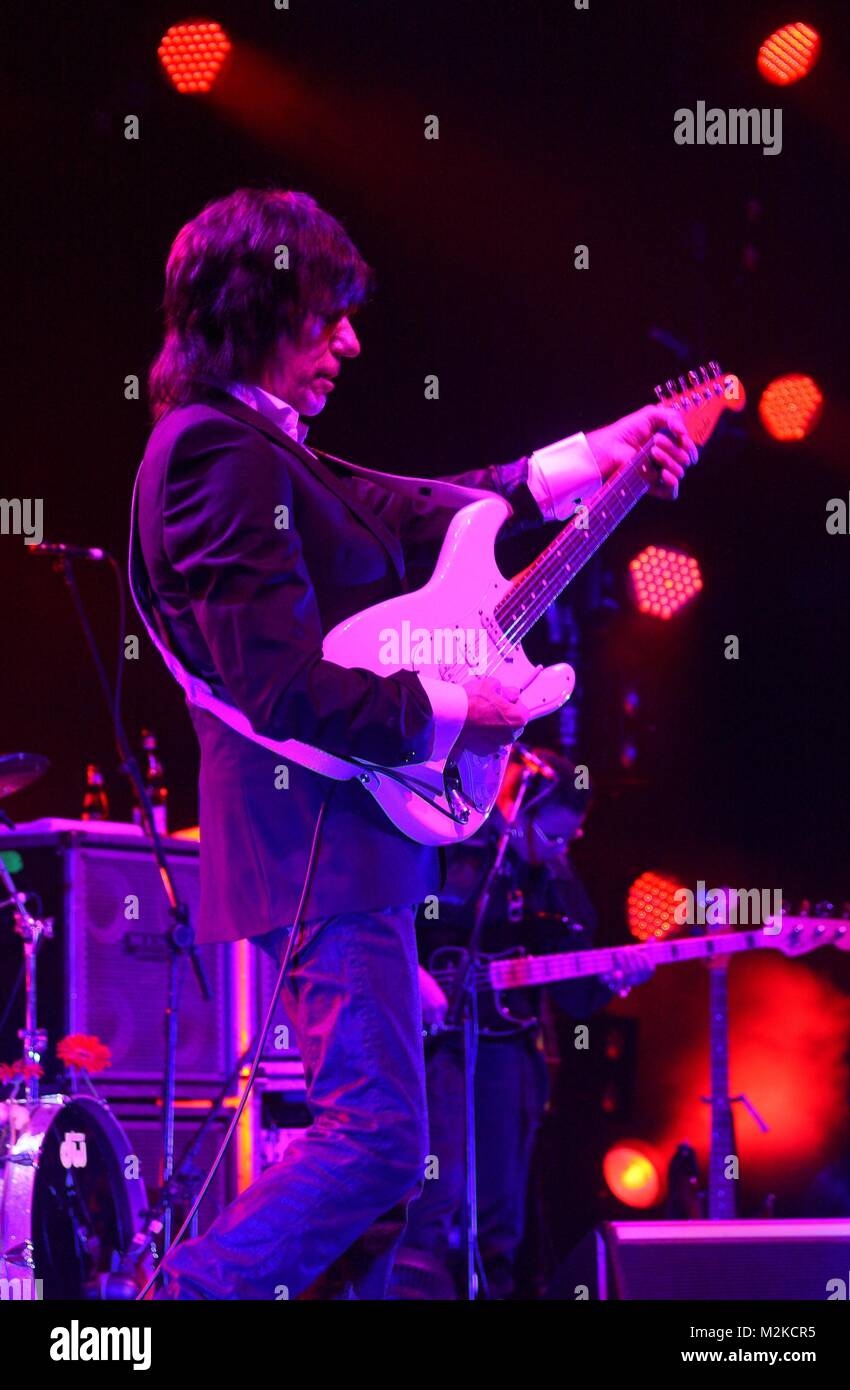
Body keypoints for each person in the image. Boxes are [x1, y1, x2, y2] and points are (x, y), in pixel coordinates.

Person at [130, 187, 697, 1299]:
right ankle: (160, 1311)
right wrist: (455, 712)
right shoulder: (212, 454)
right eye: (328, 313)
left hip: (347, 838)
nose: (349, 340)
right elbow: (277, 681)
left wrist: (600, 456)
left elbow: (435, 509)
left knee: (392, 1172)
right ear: (257, 304)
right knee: (379, 1143)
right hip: (312, 840)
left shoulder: (260, 446)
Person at [396, 746, 652, 1299]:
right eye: (553, 836)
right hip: (434, 1048)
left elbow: (575, 992)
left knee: (500, 1210)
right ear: (521, 806)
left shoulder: (550, 880)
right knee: (433, 1198)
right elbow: (388, 910)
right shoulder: (452, 839)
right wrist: (411, 974)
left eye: (566, 841)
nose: (560, 849)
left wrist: (614, 976)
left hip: (506, 1052)